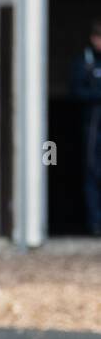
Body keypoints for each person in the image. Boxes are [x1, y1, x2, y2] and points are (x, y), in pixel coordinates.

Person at [70, 18, 101, 236]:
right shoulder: (84, 62)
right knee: (92, 173)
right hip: (93, 125)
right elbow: (76, 93)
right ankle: (95, 223)